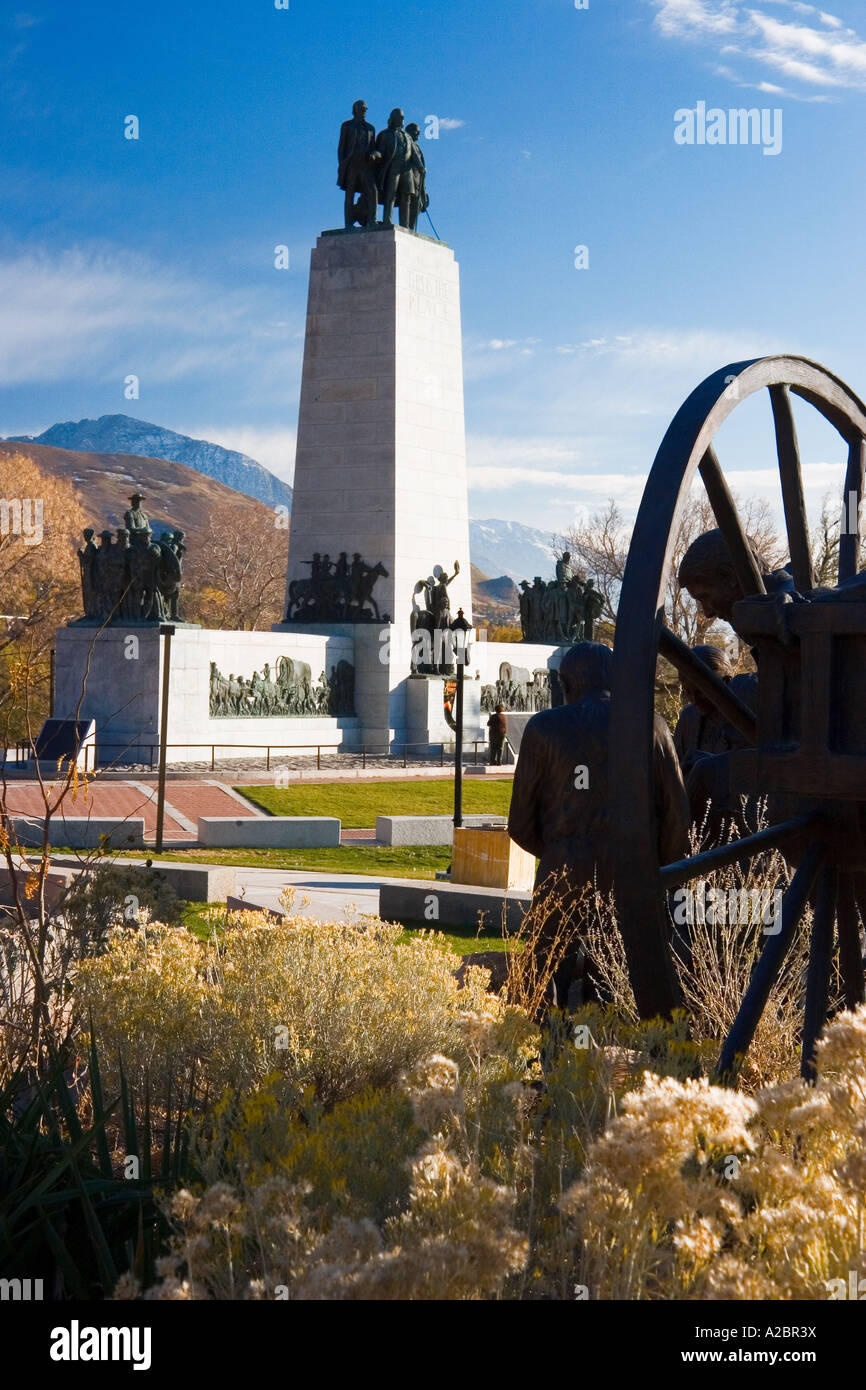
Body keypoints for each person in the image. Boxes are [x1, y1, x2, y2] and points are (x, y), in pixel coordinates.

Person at [508, 641, 689, 1012]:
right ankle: (615, 1059)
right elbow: (676, 816)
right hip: (632, 872)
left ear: (566, 684)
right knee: (618, 981)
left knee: (545, 976)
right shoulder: (651, 726)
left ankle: (544, 1057)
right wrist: (658, 868)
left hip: (563, 868)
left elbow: (520, 823)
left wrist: (566, 851)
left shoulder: (543, 728)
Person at [338, 100, 379, 228]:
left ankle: (372, 220)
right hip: (351, 165)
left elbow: (374, 147)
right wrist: (342, 165)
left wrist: (374, 155)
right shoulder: (347, 126)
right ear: (355, 109)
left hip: (366, 165)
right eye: (362, 109)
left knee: (373, 191)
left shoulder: (370, 128)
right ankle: (348, 223)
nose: (364, 111)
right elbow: (341, 148)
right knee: (349, 193)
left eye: (366, 109)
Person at [376, 108, 415, 228]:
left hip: (406, 169)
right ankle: (387, 220)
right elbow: (380, 151)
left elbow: (413, 153)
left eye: (403, 117)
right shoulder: (385, 134)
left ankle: (405, 224)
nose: (403, 119)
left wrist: (420, 167)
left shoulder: (407, 136)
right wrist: (376, 154)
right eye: (400, 117)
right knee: (391, 194)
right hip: (392, 167)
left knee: (406, 196)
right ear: (393, 119)